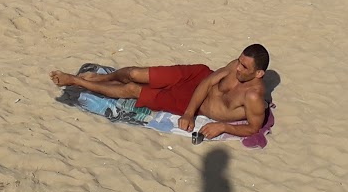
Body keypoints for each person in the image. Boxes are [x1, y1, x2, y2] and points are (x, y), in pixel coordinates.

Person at [50, 45, 271, 140]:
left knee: (132, 90)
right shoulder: (237, 64)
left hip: (185, 100)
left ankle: (75, 80)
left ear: (259, 73)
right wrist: (188, 114)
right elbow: (207, 82)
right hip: (196, 76)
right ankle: (104, 77)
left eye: (244, 68)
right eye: (239, 62)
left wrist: (222, 126)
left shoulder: (253, 98)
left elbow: (253, 128)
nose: (238, 68)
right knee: (135, 73)